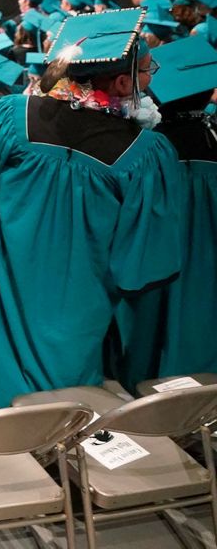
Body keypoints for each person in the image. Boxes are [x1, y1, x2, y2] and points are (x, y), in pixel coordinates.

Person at [0, 9, 182, 408]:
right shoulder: (143, 153)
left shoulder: (15, 118)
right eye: (145, 70)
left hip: (10, 281)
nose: (150, 78)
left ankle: (16, 439)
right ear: (121, 82)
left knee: (11, 382)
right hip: (82, 295)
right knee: (71, 392)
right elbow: (139, 257)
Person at [114, 39, 217, 389]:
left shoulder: (141, 148)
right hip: (207, 264)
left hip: (152, 263)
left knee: (148, 331)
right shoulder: (211, 143)